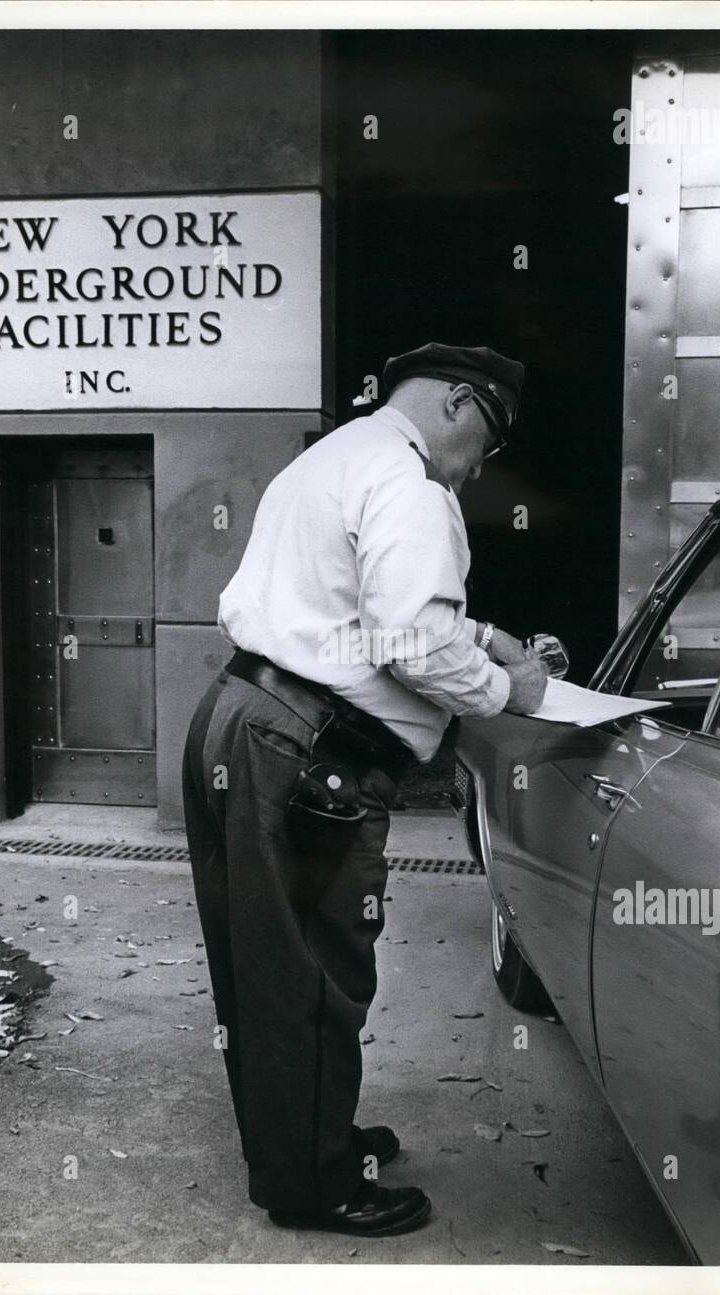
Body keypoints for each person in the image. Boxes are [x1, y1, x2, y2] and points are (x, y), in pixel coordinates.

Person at [181, 343, 548, 1236]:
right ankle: (315, 1185)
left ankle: (304, 1137)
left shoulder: (332, 458)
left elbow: (352, 594)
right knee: (312, 970)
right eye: (487, 443)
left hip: (243, 717)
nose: (477, 468)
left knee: (261, 964)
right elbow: (414, 644)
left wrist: (485, 635)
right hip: (308, 750)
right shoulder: (414, 485)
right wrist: (514, 688)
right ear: (461, 404)